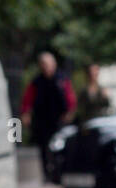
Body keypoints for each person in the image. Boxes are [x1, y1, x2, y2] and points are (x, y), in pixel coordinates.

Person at [20, 52, 76, 181]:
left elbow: (70, 98)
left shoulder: (62, 79)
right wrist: (26, 114)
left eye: (48, 64)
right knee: (44, 149)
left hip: (59, 120)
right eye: (43, 64)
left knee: (60, 147)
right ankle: (47, 175)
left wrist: (69, 113)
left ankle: (59, 173)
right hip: (42, 120)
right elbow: (28, 100)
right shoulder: (37, 82)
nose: (46, 67)